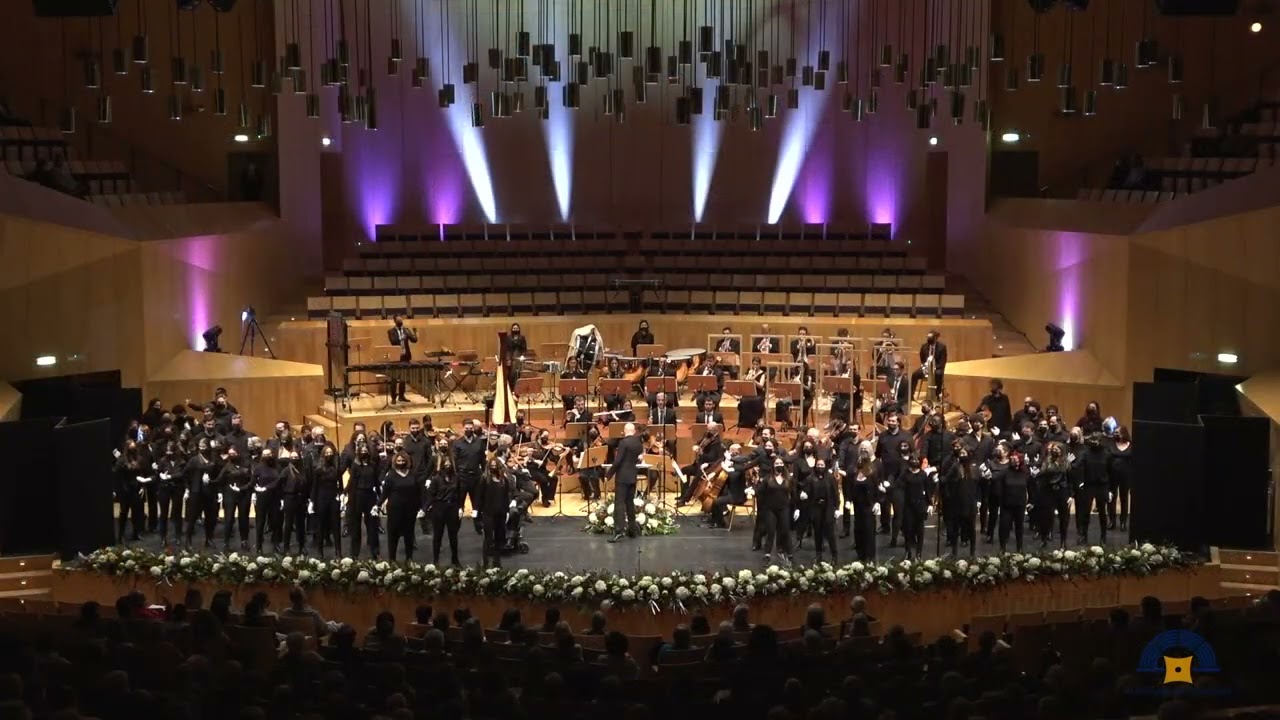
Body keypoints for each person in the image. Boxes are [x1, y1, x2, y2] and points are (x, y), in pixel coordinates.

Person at [604, 423, 643, 543]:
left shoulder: (623, 443)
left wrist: (608, 475)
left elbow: (618, 461)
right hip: (632, 476)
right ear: (634, 431)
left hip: (622, 477)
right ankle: (632, 530)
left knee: (619, 504)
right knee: (629, 503)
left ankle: (618, 531)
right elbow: (637, 459)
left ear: (625, 431)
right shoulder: (638, 443)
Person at [940, 441, 979, 557]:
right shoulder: (956, 466)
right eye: (960, 453)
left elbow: (979, 484)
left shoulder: (974, 467)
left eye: (964, 453)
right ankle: (954, 552)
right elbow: (947, 478)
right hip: (957, 501)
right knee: (956, 528)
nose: (962, 455)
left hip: (970, 501)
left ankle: (972, 553)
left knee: (971, 528)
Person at [346, 442, 383, 560]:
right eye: (362, 451)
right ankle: (354, 553)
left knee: (372, 525)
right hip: (357, 496)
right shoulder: (355, 466)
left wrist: (380, 498)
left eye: (366, 451)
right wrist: (346, 494)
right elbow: (352, 482)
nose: (364, 452)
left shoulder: (372, 465)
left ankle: (375, 551)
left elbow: (376, 480)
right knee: (356, 525)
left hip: (370, 496)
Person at [476, 460, 517, 568]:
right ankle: (485, 563)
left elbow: (506, 497)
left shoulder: (504, 480)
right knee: (488, 538)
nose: (493, 468)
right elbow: (479, 495)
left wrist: (507, 511)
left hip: (501, 513)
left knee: (499, 538)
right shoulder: (484, 479)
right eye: (491, 466)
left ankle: (497, 562)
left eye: (495, 466)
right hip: (488, 512)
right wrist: (477, 510)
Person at [424, 457, 463, 566]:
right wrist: (425, 508)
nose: (447, 465)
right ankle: (435, 559)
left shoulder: (456, 478)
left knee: (453, 536)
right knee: (437, 535)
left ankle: (455, 559)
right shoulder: (436, 479)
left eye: (449, 464)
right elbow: (431, 495)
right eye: (445, 464)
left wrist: (461, 507)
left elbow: (460, 494)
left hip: (452, 507)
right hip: (439, 507)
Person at [757, 456, 794, 566]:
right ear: (773, 465)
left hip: (784, 508)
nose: (779, 465)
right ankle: (767, 555)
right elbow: (760, 492)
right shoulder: (768, 478)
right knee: (771, 532)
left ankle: (790, 554)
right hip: (770, 509)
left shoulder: (788, 479)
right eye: (776, 463)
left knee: (785, 531)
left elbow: (793, 494)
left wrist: (795, 509)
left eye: (780, 463)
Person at [383, 452, 419, 561]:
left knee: (409, 535)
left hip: (410, 509)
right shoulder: (391, 475)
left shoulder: (412, 474)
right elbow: (385, 492)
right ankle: (392, 559)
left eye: (403, 461)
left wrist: (421, 506)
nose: (401, 462)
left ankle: (409, 559)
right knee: (393, 535)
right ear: (395, 462)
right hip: (395, 509)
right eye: (399, 461)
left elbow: (418, 491)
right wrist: (378, 504)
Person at [310, 443, 343, 558]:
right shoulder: (318, 470)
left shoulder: (336, 469)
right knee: (321, 525)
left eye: (331, 453)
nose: (329, 455)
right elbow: (314, 486)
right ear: (323, 455)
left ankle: (338, 551)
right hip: (321, 499)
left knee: (336, 525)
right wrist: (312, 502)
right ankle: (320, 552)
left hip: (334, 499)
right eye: (327, 453)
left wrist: (341, 496)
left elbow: (340, 485)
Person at [218, 446, 253, 552]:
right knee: (229, 519)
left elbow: (251, 480)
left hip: (243, 494)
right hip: (230, 495)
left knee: (244, 519)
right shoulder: (227, 466)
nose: (231, 456)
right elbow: (220, 480)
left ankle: (244, 541)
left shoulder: (247, 464)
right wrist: (209, 481)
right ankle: (226, 542)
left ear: (238, 454)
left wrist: (242, 489)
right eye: (230, 454)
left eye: (233, 454)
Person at [997, 451, 1030, 552]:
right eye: (1011, 459)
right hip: (1006, 504)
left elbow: (1030, 487)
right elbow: (998, 484)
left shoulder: (1025, 472)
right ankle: (1003, 548)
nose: (1012, 461)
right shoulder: (1005, 472)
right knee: (1004, 526)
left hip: (1020, 504)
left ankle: (1019, 548)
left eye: (1015, 459)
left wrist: (1031, 501)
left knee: (1019, 527)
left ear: (1020, 461)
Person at [809, 456, 839, 565]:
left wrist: (837, 508)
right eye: (818, 465)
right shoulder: (811, 478)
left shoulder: (830, 478)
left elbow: (836, 493)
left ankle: (834, 556)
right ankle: (818, 555)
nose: (820, 467)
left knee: (830, 533)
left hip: (828, 508)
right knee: (817, 533)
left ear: (825, 466)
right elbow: (808, 491)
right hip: (816, 508)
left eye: (822, 465)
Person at [386, 315, 418, 403]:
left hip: (405, 356)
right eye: (399, 320)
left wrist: (414, 333)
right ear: (395, 321)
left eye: (401, 320)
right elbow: (393, 341)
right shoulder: (391, 331)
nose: (401, 322)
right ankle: (393, 397)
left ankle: (401, 396)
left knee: (403, 377)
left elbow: (414, 340)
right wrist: (403, 337)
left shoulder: (406, 330)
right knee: (394, 378)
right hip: (396, 357)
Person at [910, 330, 948, 401]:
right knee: (915, 374)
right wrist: (925, 366)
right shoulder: (924, 346)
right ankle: (910, 395)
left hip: (937, 368)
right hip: (926, 367)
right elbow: (922, 357)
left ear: (935, 338)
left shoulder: (942, 347)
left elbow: (942, 362)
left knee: (938, 374)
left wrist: (933, 368)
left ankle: (937, 395)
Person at [1108, 425, 1133, 532]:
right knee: (1111, 499)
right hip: (1112, 475)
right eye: (1115, 432)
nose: (1116, 434)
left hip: (1125, 476)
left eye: (1118, 432)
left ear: (1124, 433)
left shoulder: (1131, 446)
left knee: (1124, 499)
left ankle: (1123, 522)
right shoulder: (1111, 445)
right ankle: (1112, 521)